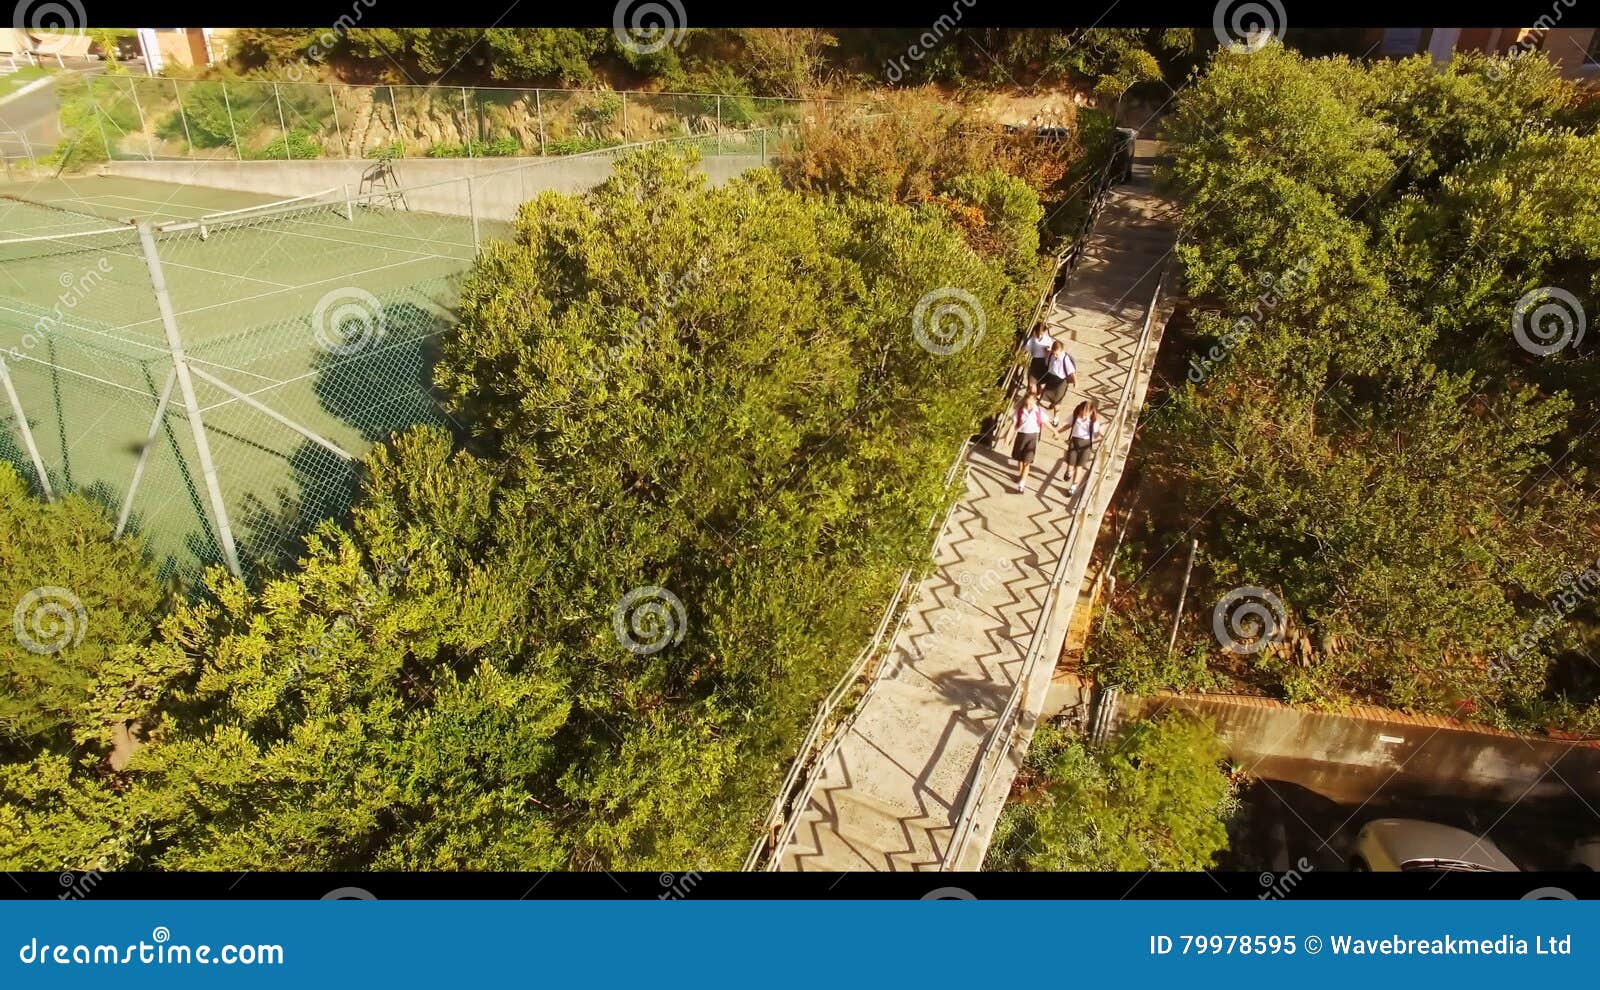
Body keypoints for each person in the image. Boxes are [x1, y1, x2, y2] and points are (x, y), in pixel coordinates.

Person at [1011, 388, 1056, 494]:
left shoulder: (1038, 412)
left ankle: (1022, 483)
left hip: (1032, 437)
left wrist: (1055, 431)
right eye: (1028, 399)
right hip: (1021, 435)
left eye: (1032, 399)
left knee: (1027, 461)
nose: (1029, 401)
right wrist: (1009, 436)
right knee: (1020, 459)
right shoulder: (1020, 411)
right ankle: (1021, 475)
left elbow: (1046, 423)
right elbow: (1013, 424)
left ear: (1035, 401)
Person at [1063, 399, 1107, 498]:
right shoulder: (1075, 417)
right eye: (1082, 413)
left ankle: (1073, 487)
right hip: (1074, 443)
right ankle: (1069, 472)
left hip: (1086, 445)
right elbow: (1068, 425)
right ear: (1079, 410)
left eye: (1086, 414)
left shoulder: (1093, 423)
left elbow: (1095, 436)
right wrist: (1058, 431)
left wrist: (1101, 432)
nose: (1083, 416)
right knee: (1070, 464)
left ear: (1091, 413)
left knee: (1079, 467)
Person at [1038, 341, 1076, 425]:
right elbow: (1047, 357)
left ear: (1061, 350)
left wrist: (1075, 382)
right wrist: (1047, 351)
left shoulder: (1065, 359)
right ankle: (1041, 415)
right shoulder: (1052, 354)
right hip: (1052, 378)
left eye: (1056, 354)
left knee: (1057, 401)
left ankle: (1056, 417)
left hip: (1061, 381)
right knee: (1045, 396)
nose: (1055, 355)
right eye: (1053, 353)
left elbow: (1072, 372)